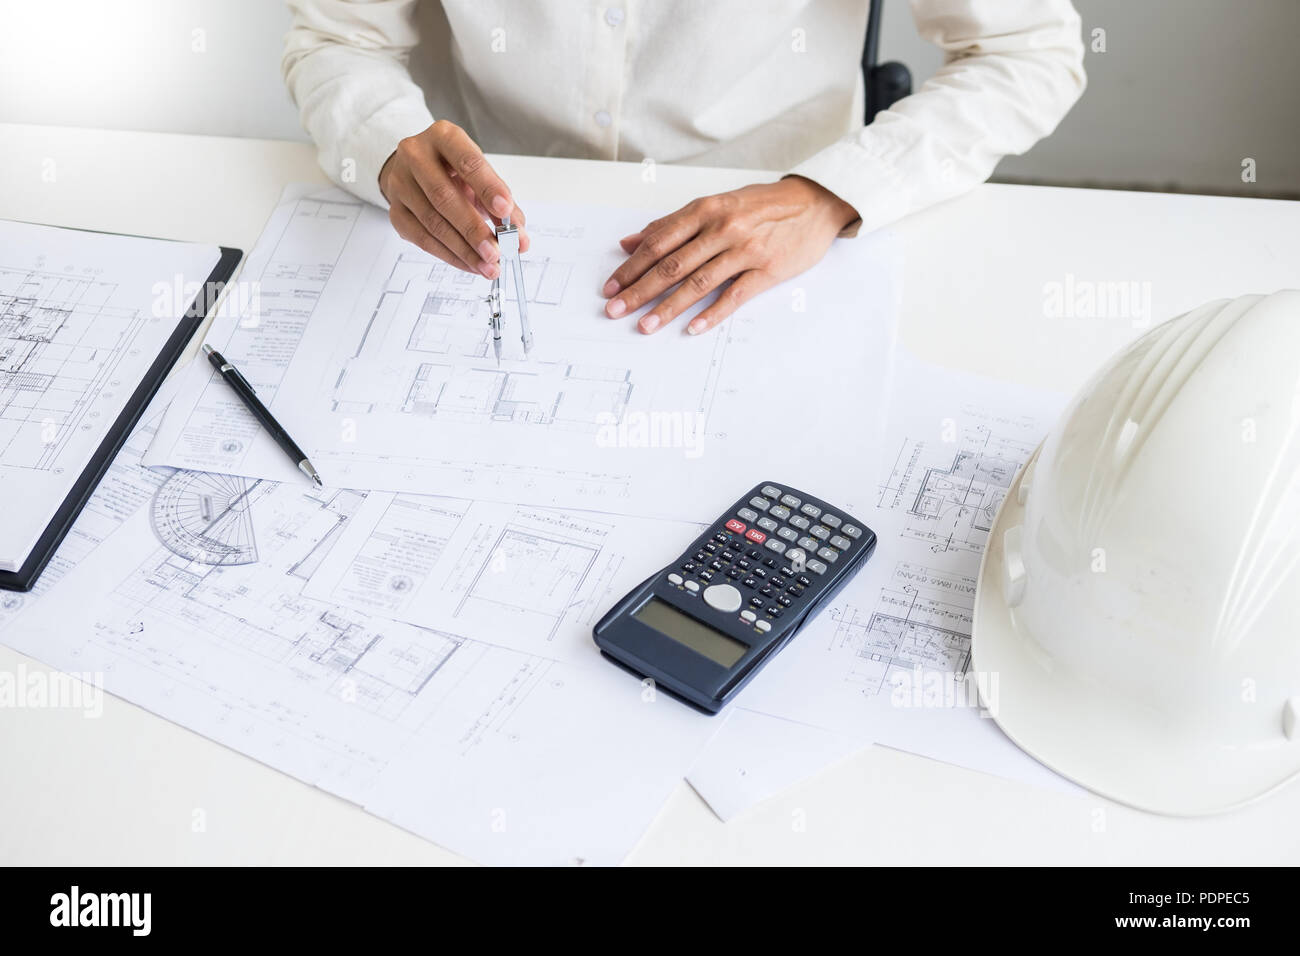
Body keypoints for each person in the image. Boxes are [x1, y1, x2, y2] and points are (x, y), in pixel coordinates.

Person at [283, 1, 1085, 335]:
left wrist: (831, 195)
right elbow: (338, 38)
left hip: (783, 250)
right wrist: (386, 142)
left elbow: (1029, 53)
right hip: (484, 230)